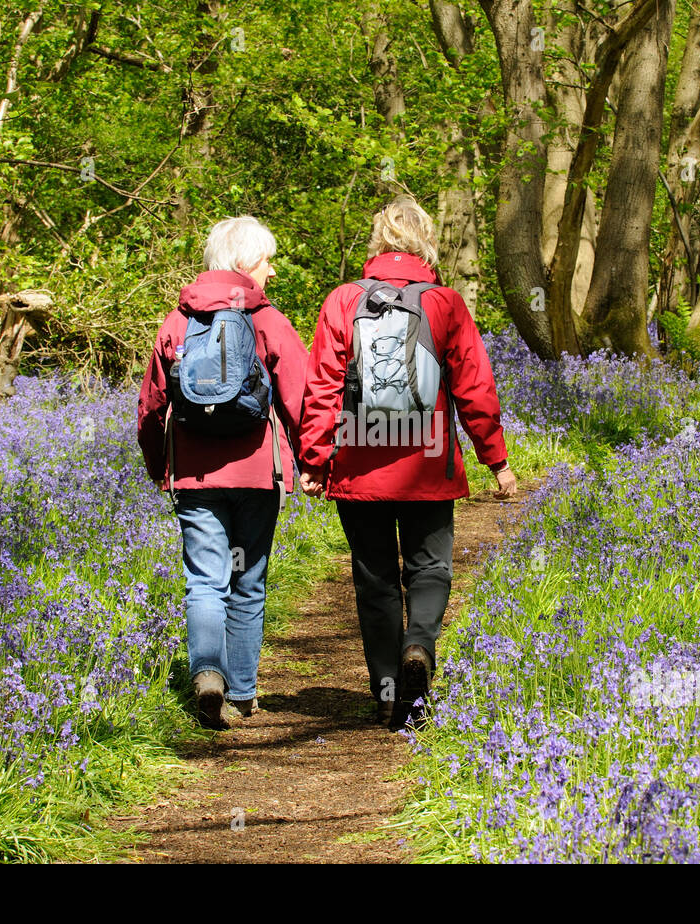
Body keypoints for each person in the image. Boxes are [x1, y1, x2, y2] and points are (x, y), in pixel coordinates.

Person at [299, 196, 516, 728]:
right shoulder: (445, 303)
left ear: (378, 241)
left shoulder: (343, 301)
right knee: (430, 567)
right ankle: (418, 646)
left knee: (375, 578)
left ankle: (389, 693)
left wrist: (313, 457)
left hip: (358, 459)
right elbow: (474, 389)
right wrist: (497, 460)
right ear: (426, 242)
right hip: (429, 460)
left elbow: (322, 385)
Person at [138, 216, 308, 729]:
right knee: (247, 580)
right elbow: (301, 395)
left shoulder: (178, 320)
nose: (272, 271)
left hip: (195, 477)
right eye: (266, 261)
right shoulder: (266, 320)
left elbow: (150, 404)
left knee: (204, 582)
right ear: (243, 264)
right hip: (257, 474)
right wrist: (313, 461)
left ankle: (206, 672)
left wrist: (159, 465)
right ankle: (241, 693)